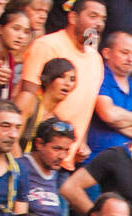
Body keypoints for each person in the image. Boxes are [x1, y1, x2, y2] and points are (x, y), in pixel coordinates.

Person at [16, 0, 106, 168]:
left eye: (102, 19)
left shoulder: (96, 59)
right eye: (93, 16)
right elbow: (27, 98)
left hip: (67, 159)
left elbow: (86, 106)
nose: (98, 23)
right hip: (34, 155)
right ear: (73, 17)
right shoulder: (47, 45)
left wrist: (81, 142)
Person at [19, 117, 74, 216]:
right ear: (39, 144)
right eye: (56, 149)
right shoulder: (20, 168)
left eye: (66, 150)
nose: (62, 156)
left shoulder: (57, 175)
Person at [86, 30, 132, 159]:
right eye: (124, 53)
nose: (130, 59)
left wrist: (117, 121)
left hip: (125, 164)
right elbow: (108, 114)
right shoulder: (99, 76)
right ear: (107, 53)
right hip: (95, 160)